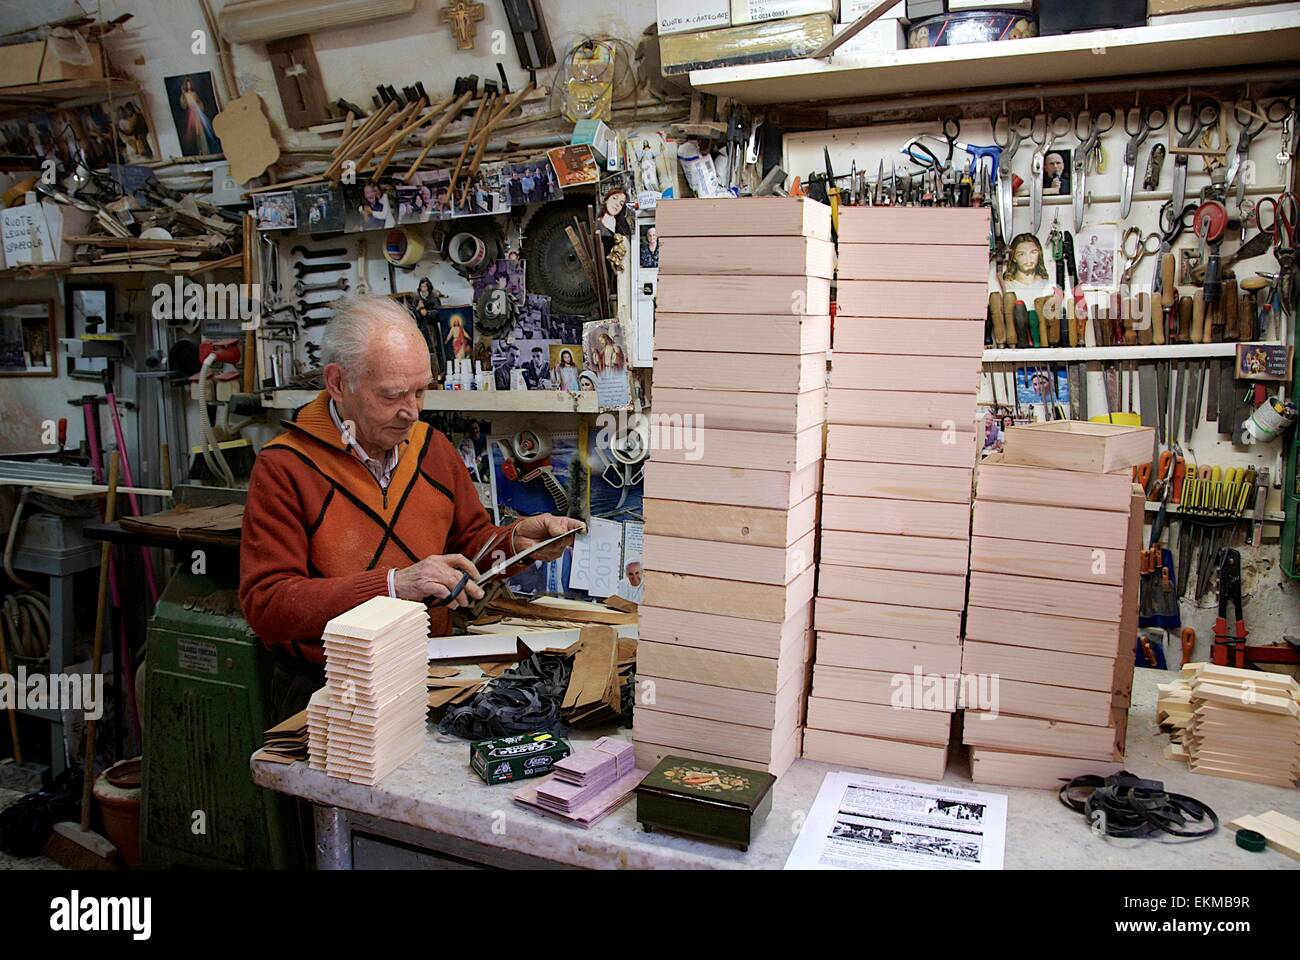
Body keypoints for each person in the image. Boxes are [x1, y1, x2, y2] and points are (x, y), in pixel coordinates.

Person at [239, 296, 581, 721]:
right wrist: (394, 586)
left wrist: (514, 544)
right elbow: (268, 606)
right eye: (393, 395)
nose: (412, 412)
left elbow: (468, 548)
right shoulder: (285, 467)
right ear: (338, 383)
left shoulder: (431, 448)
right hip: (328, 687)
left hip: (429, 674)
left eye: (421, 391)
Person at [177, 77, 219, 155]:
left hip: (198, 113)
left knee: (201, 131)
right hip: (191, 115)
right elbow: (184, 105)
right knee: (194, 133)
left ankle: (205, 150)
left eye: (189, 84)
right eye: (187, 85)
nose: (189, 86)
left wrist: (198, 105)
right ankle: (199, 151)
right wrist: (182, 94)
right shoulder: (185, 95)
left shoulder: (194, 94)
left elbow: (200, 103)